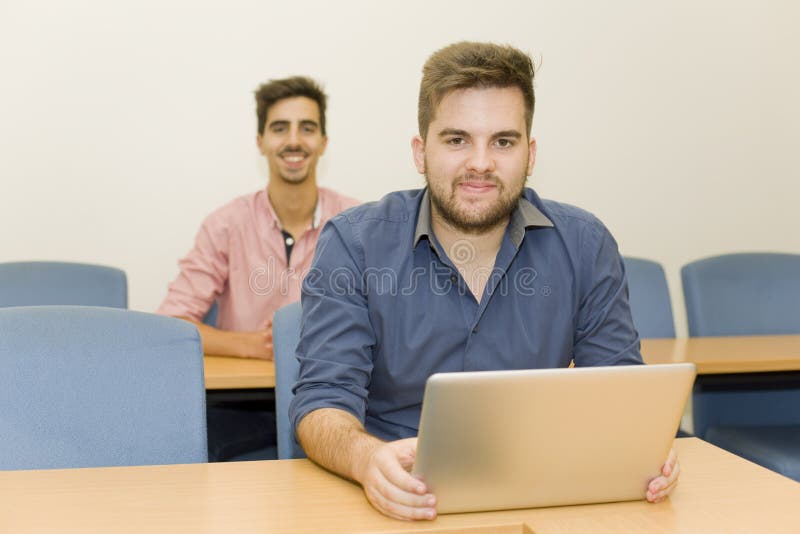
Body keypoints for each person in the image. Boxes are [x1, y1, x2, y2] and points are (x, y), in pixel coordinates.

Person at [289, 42, 679, 520]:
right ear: (420, 151)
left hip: (542, 496)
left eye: (503, 141)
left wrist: (643, 448)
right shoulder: (353, 244)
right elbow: (321, 406)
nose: (480, 163)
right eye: (456, 140)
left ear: (530, 153)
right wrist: (366, 459)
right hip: (392, 498)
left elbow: (621, 397)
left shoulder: (585, 244)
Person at [158, 76, 358, 461]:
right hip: (245, 404)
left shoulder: (356, 223)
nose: (294, 141)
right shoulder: (225, 225)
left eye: (307, 128)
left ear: (323, 143)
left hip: (338, 398)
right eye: (280, 128)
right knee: (184, 450)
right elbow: (171, 324)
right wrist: (251, 345)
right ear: (261, 142)